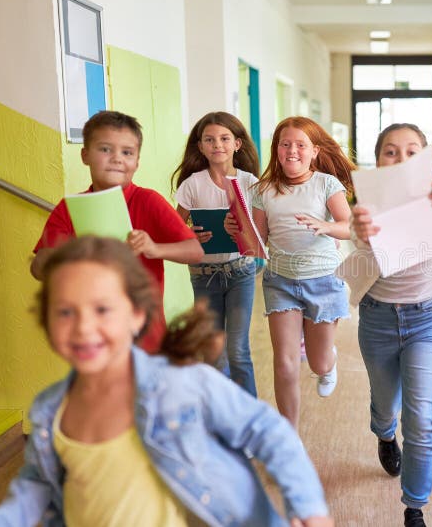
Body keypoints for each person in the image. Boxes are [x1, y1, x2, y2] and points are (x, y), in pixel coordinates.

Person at [0, 236, 333, 527]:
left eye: (102, 310)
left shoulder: (181, 386)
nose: (83, 327)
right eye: (65, 311)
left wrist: (308, 506)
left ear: (137, 315)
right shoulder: (51, 411)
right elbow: (36, 487)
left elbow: (267, 430)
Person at [342, 123, 432, 527]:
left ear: (424, 157)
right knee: (386, 405)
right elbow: (353, 235)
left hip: (428, 318)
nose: (400, 159)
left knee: (421, 417)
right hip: (378, 317)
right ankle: (384, 433)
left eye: (411, 151)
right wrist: (360, 235)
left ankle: (414, 507)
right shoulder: (367, 201)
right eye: (390, 151)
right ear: (378, 158)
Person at [31, 111, 203, 353]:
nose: (116, 159)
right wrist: (68, 255)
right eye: (105, 149)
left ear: (137, 161)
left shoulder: (148, 201)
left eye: (127, 152)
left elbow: (195, 251)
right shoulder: (69, 208)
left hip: (146, 337)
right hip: (92, 339)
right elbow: (38, 268)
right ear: (85, 155)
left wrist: (154, 248)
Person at [231, 116, 355, 428]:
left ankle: (329, 363)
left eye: (301, 145)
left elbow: (349, 226)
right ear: (276, 150)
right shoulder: (263, 190)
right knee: (285, 364)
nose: (292, 150)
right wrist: (236, 229)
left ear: (314, 151)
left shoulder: (326, 184)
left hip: (324, 281)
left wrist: (326, 226)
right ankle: (290, 438)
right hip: (281, 282)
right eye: (285, 144)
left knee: (319, 362)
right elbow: (257, 245)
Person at [173, 111, 263, 397]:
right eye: (209, 140)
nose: (217, 145)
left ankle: (250, 422)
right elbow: (175, 228)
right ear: (200, 147)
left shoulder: (251, 183)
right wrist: (189, 234)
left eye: (224, 138)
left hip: (241, 272)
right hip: (203, 276)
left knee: (238, 351)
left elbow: (262, 230)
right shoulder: (192, 184)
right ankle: (221, 417)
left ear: (237, 144)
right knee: (214, 355)